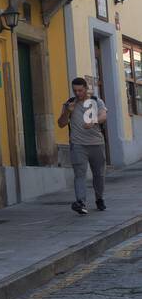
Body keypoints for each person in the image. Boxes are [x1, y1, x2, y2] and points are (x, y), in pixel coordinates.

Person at [58, 77, 108, 215]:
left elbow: (104, 116)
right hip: (78, 144)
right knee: (79, 174)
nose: (78, 93)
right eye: (75, 91)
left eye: (80, 90)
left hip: (96, 144)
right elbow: (61, 124)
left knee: (98, 174)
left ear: (86, 88)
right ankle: (81, 202)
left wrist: (94, 122)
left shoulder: (96, 101)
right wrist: (68, 111)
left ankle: (99, 198)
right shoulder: (69, 104)